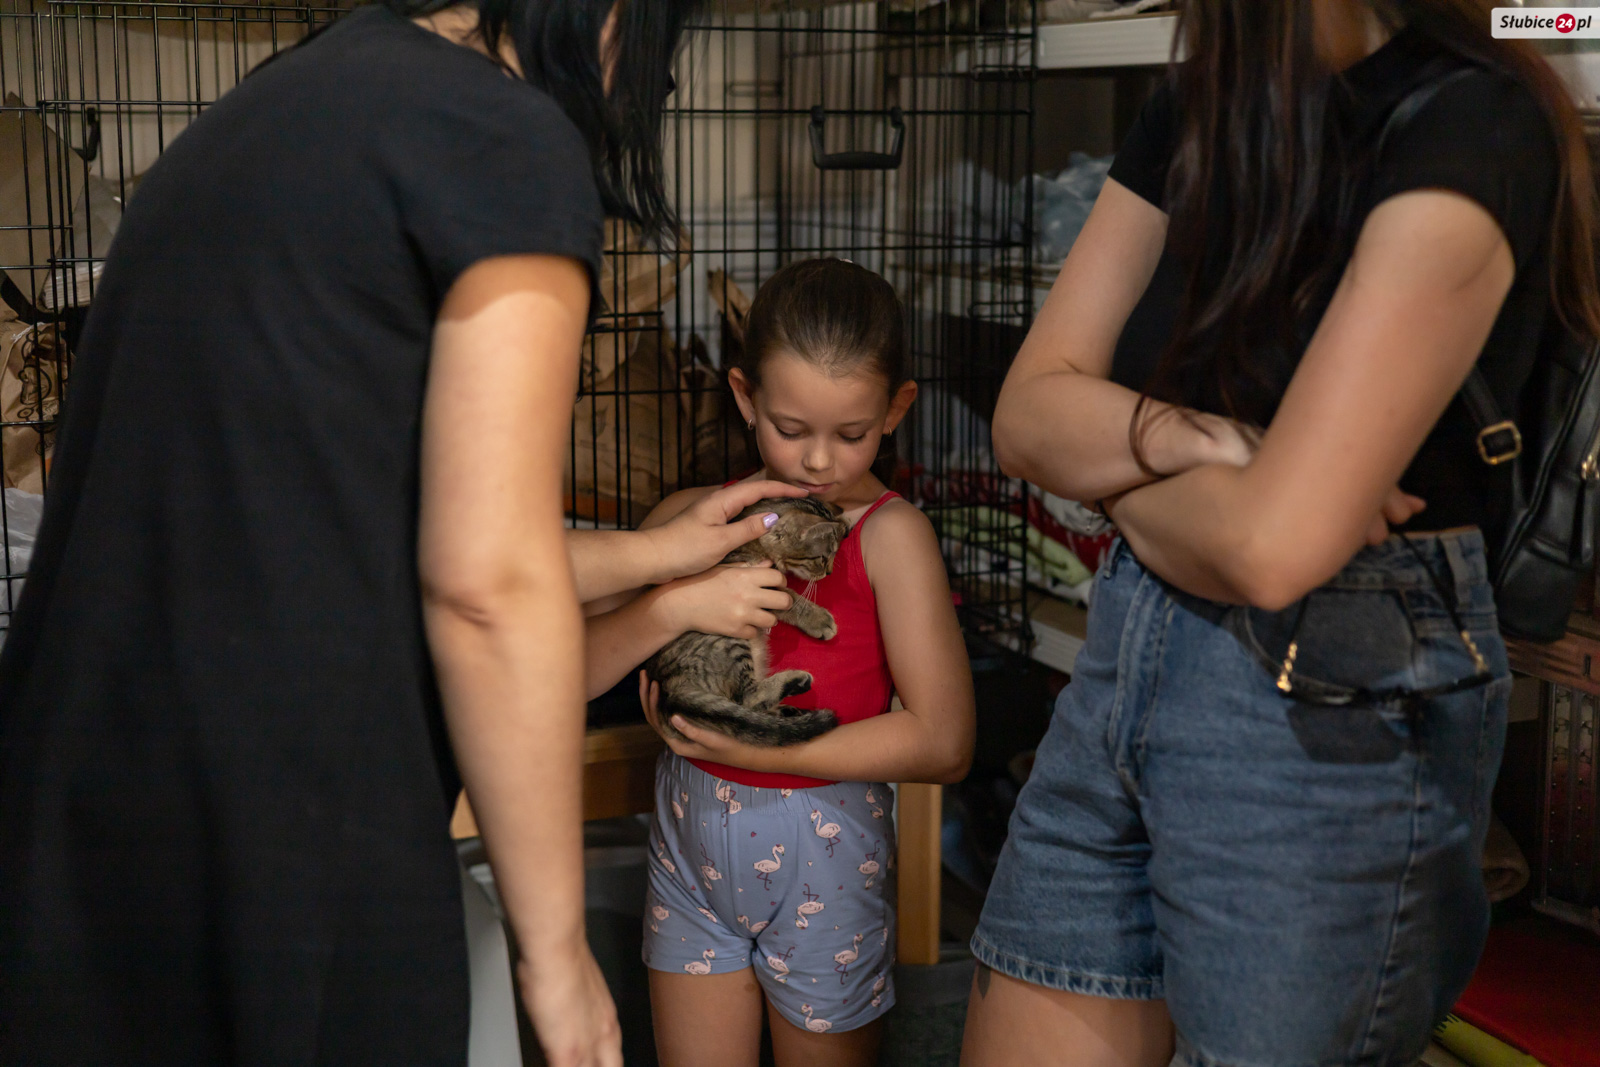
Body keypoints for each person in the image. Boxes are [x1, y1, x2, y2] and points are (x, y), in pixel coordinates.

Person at [0, 1, 806, 1063]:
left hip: (83, 805)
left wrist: (662, 556)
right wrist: (557, 962)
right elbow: (485, 584)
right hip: (282, 829)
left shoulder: (297, 96)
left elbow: (394, 528)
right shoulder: (504, 142)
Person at [962, 2, 1600, 1066]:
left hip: (1327, 710)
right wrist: (1207, 441)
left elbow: (1271, 551)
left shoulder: (1469, 122)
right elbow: (1026, 415)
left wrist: (1115, 472)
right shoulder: (1203, 108)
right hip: (1128, 659)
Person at [583, 258, 976, 1067]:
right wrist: (658, 619)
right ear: (744, 398)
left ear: (897, 409)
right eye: (790, 430)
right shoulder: (700, 521)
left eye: (852, 433)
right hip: (691, 844)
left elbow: (945, 740)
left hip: (825, 858)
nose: (820, 463)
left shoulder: (891, 537)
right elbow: (568, 667)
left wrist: (765, 746)